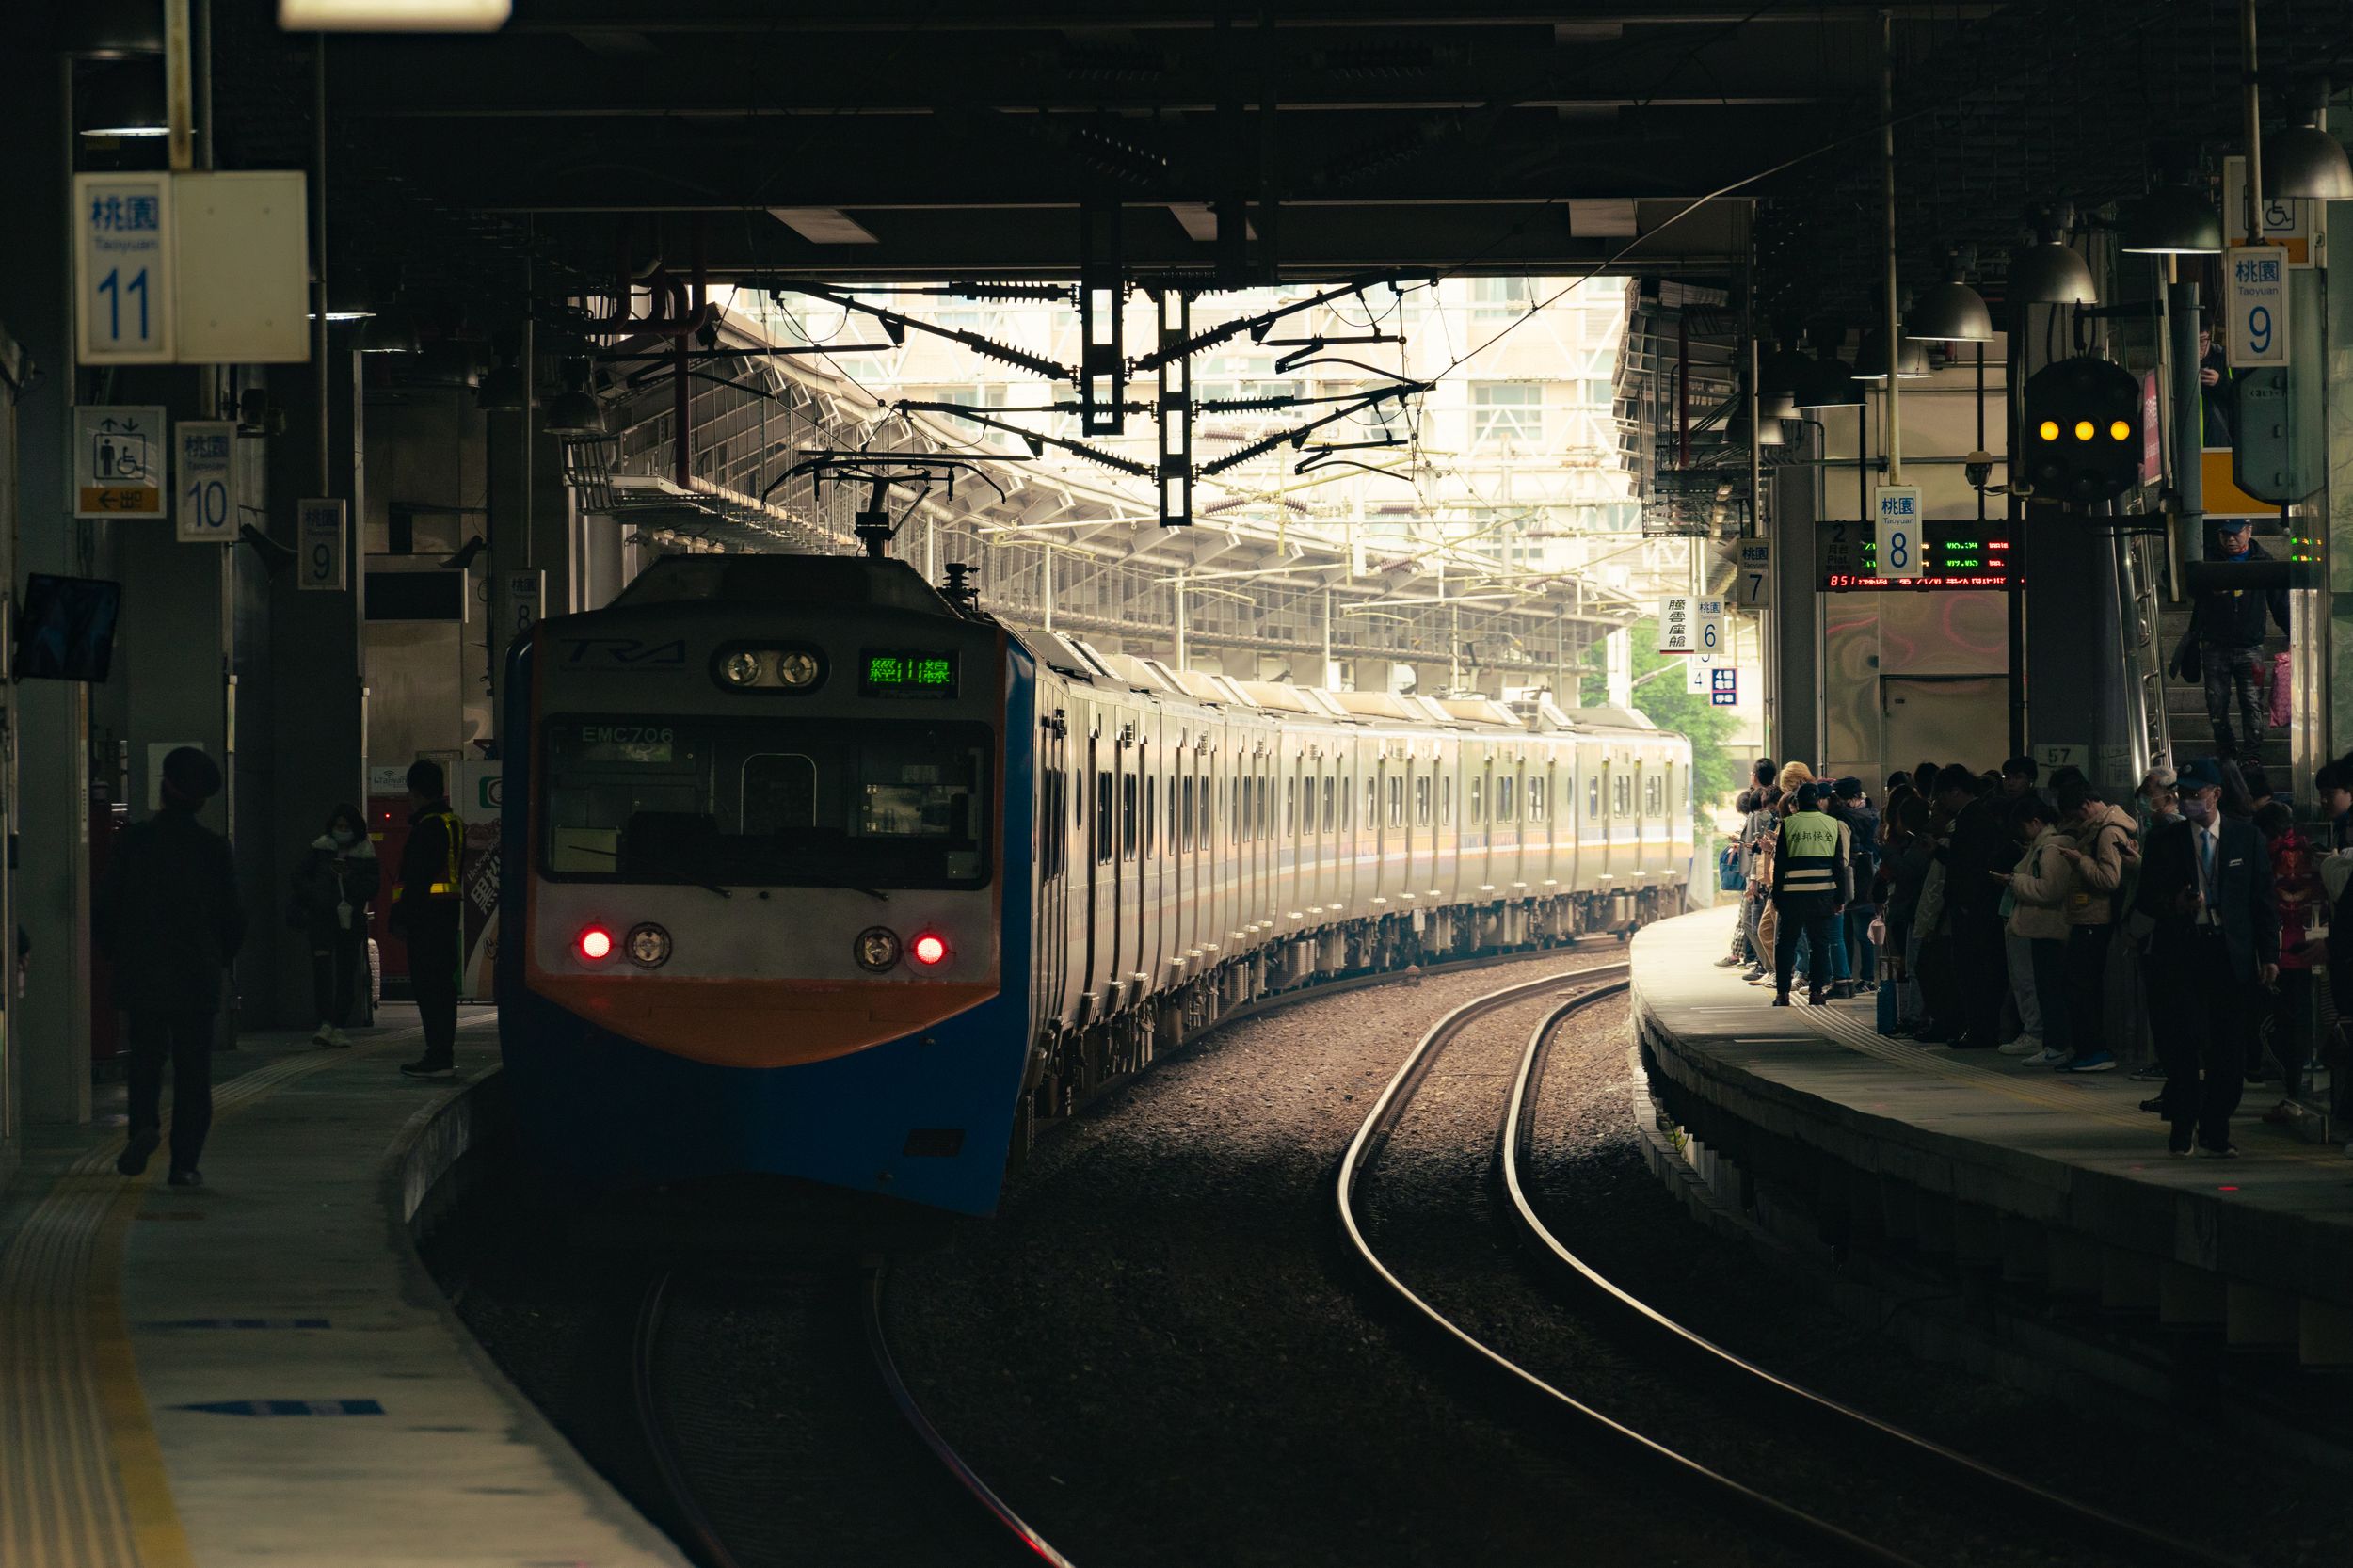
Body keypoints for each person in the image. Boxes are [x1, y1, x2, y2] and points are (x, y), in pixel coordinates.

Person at [95, 747, 245, 1187]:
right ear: (201, 801)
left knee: (145, 1059)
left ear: (163, 791)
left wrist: (117, 954)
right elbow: (234, 918)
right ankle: (184, 1165)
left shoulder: (134, 842)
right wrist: (219, 958)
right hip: (196, 975)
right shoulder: (214, 850)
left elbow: (106, 906)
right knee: (193, 1070)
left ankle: (143, 1125)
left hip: (143, 972)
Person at [2136, 759, 2277, 1157]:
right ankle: (2182, 1124)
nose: (2188, 801)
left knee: (2228, 1046)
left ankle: (2216, 1128)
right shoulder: (2164, 841)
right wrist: (2175, 904)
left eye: (2196, 794)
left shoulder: (2245, 839)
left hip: (2229, 954)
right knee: (2182, 1043)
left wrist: (2269, 954)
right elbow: (2146, 897)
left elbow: (2262, 900)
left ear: (2216, 794)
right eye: (2183, 794)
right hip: (2180, 951)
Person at [2170, 519, 2289, 761]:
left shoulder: (2263, 562)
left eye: (2235, 534)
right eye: (2225, 535)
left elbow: (2280, 605)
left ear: (2249, 531)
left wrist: (2293, 635)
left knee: (2252, 702)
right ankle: (2226, 750)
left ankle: (2252, 754)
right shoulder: (2208, 560)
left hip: (2250, 647)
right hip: (2215, 645)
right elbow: (2178, 581)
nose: (2230, 539)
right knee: (2216, 703)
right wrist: (2209, 591)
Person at [2052, 778, 2135, 1074]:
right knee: (2077, 986)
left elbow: (2109, 880)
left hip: (2094, 920)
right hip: (2085, 918)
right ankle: (2086, 1048)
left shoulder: (2108, 831)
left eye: (2076, 814)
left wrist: (2080, 862)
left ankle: (2094, 1049)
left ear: (2086, 805)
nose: (2075, 821)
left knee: (2081, 987)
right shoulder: (2097, 828)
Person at [392, 760, 465, 1080]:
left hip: (426, 921)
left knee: (429, 988)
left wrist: (402, 916)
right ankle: (441, 1053)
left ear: (417, 791)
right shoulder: (453, 823)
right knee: (443, 989)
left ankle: (437, 1056)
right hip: (447, 918)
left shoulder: (428, 827)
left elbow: (417, 879)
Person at [290, 803, 379, 1047]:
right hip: (323, 919)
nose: (342, 830)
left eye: (346, 826)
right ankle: (326, 1023)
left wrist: (349, 882)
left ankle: (338, 1024)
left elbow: (373, 886)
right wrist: (319, 893)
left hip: (349, 920)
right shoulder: (320, 850)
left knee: (345, 973)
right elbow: (298, 876)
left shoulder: (365, 853)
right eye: (338, 826)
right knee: (323, 973)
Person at [1996, 793, 2075, 1065]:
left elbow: (2050, 889)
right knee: (2041, 985)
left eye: (2023, 826)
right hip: (2040, 926)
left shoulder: (2050, 849)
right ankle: (2049, 1041)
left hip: (2045, 927)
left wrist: (2015, 881)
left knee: (2046, 987)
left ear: (2035, 821)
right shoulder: (2042, 847)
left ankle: (2051, 1042)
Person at [1933, 764, 2009, 1049]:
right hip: (1975, 906)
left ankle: (1981, 1029)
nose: (1940, 802)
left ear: (1955, 791)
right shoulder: (1977, 816)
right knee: (1974, 970)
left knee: (1972, 970)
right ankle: (1979, 1027)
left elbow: (1970, 865)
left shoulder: (1972, 819)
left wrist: (1965, 903)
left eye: (1942, 795)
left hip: (1973, 908)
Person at [1770, 782, 1849, 1007]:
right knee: (1820, 945)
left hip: (1792, 896)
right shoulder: (1832, 824)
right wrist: (1839, 898)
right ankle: (1816, 993)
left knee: (1785, 944)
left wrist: (1776, 896)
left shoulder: (1788, 824)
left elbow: (1781, 864)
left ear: (1796, 802)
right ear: (1817, 800)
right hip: (1823, 894)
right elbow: (1838, 866)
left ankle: (1782, 994)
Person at [1832, 777, 1879, 996]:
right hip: (1867, 878)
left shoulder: (1843, 818)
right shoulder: (1872, 813)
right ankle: (1867, 978)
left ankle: (1850, 977)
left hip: (1852, 879)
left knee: (1850, 933)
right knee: (1862, 933)